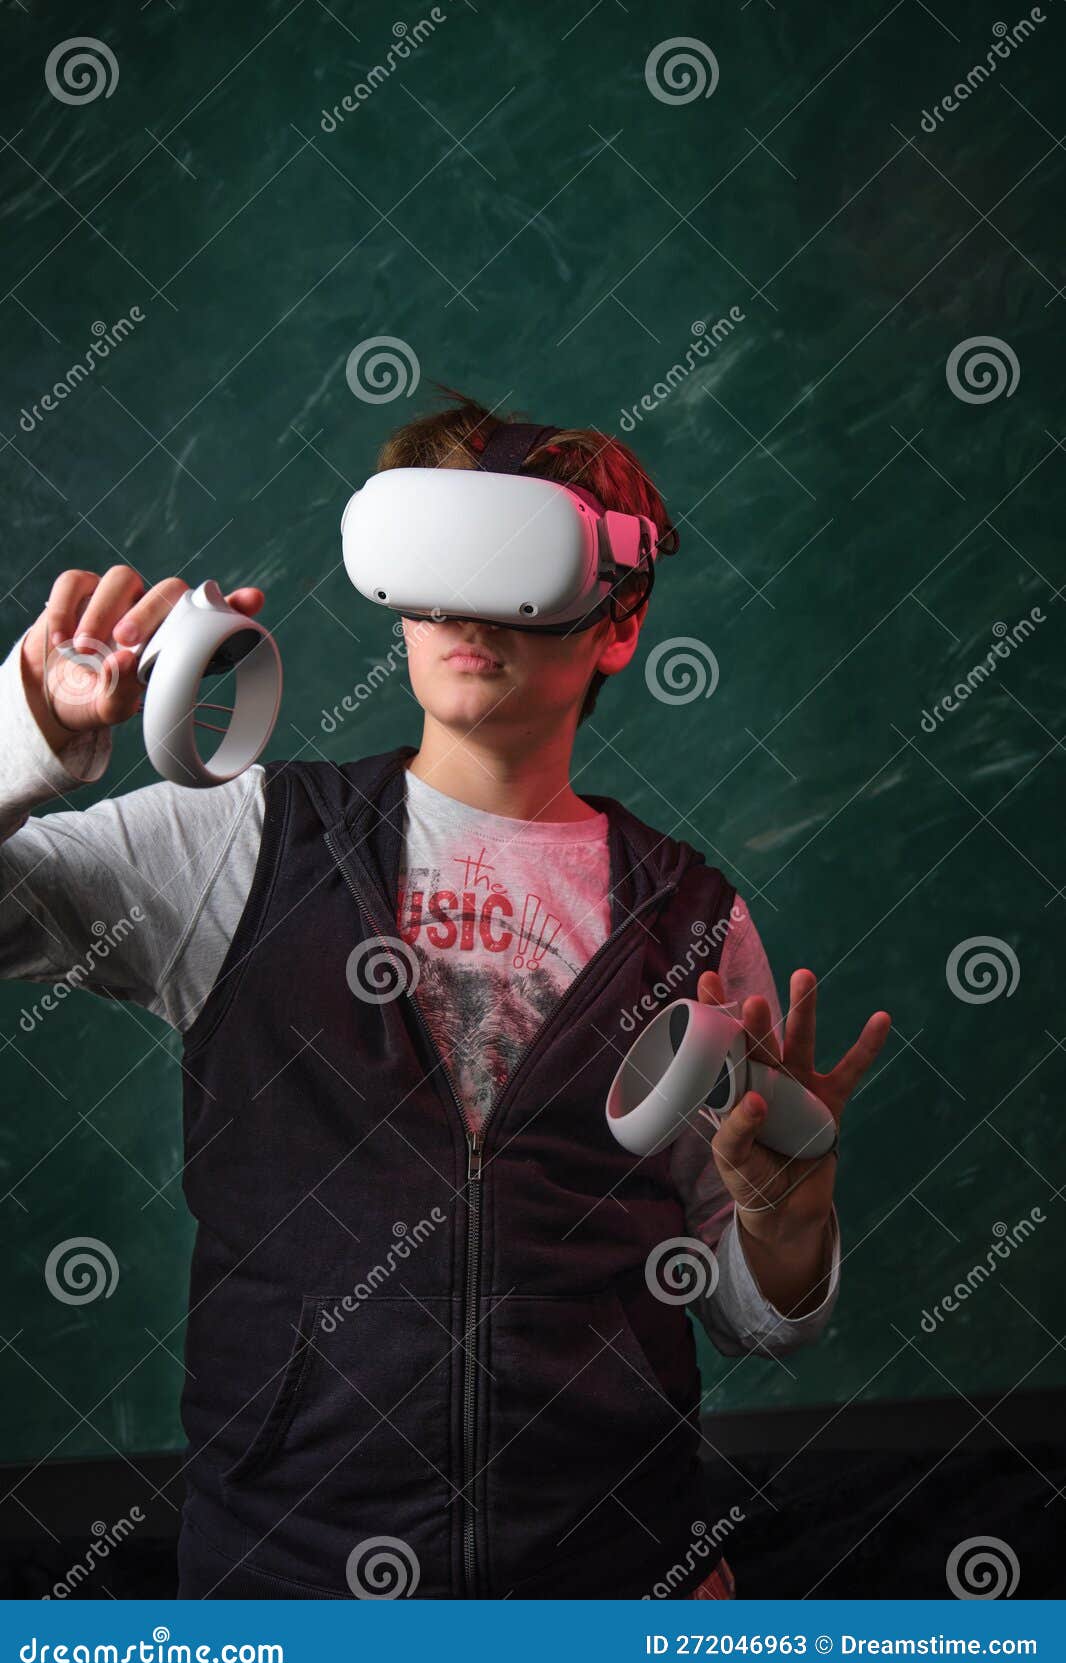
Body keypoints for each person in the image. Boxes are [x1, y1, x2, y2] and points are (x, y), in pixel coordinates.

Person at [0, 392, 890, 1599]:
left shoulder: (690, 918)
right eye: (437, 563)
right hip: (290, 1590)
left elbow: (747, 1311)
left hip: (612, 1593)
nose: (468, 610)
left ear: (617, 620)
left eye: (513, 565)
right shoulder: (238, 840)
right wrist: (25, 739)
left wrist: (784, 1231)